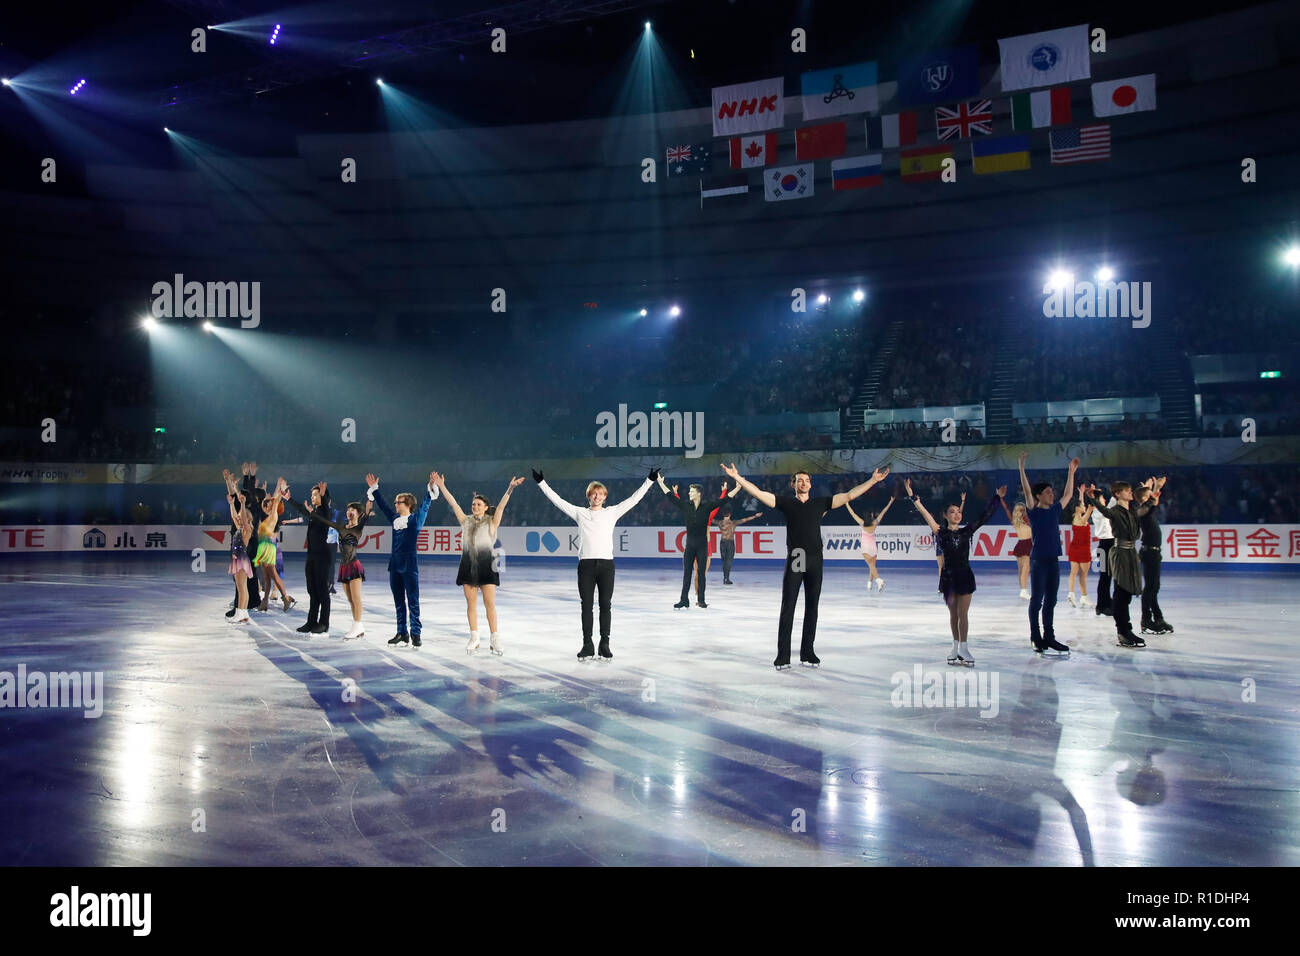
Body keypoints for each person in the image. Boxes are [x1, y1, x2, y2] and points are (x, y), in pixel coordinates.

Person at [721, 463, 890, 670]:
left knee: (812, 606)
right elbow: (758, 492)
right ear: (793, 484)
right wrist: (738, 477)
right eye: (799, 480)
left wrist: (873, 480)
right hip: (797, 557)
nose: (804, 483)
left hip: (815, 557)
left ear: (811, 485)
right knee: (789, 606)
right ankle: (783, 656)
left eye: (807, 480)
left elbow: (848, 496)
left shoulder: (820, 503)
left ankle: (807, 652)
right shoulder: (786, 503)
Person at [535, 467, 657, 661]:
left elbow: (634, 499)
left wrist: (649, 481)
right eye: (594, 494)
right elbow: (558, 501)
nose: (597, 497)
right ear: (589, 496)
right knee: (586, 606)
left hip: (606, 566)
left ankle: (605, 644)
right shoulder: (580, 513)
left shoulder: (612, 512)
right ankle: (587, 644)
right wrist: (542, 483)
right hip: (586, 566)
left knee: (605, 605)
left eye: (600, 494)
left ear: (605, 497)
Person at [905, 479, 1006, 666]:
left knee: (963, 614)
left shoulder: (967, 531)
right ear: (945, 515)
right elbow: (925, 514)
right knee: (953, 615)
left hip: (965, 576)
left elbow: (985, 516)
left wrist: (996, 498)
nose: (957, 514)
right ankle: (955, 646)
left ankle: (964, 648)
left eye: (959, 511)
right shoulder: (940, 532)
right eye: (952, 512)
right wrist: (913, 498)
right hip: (948, 578)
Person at [431, 472, 526, 655]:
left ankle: (494, 638)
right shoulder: (465, 521)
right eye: (473, 504)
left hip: (487, 566)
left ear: (485, 507)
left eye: (478, 504)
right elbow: (453, 503)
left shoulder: (492, 522)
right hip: (467, 565)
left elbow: (501, 508)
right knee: (471, 604)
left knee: (490, 603)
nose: (475, 506)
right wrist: (442, 486)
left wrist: (510, 488)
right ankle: (474, 637)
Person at [367, 472, 439, 648]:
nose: (395, 504)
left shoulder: (415, 520)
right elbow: (383, 506)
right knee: (398, 600)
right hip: (395, 565)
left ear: (406, 504)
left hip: (409, 565)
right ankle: (402, 632)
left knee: (413, 600)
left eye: (398, 502)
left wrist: (430, 488)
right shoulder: (395, 519)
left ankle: (416, 633)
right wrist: (375, 490)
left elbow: (425, 505)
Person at [1082, 480, 1159, 647]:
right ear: (1118, 494)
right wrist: (1092, 499)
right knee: (1121, 591)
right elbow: (1103, 510)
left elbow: (1144, 510)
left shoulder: (1132, 510)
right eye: (1127, 490)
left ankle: (1126, 629)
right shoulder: (1115, 510)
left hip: (1131, 553)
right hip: (1120, 552)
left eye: (1131, 490)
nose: (1130, 493)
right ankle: (1123, 631)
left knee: (1128, 591)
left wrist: (1152, 496)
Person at [1018, 452, 1078, 655]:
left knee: (1051, 601)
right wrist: (1021, 467)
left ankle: (1049, 637)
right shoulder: (1034, 511)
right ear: (1038, 496)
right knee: (1037, 601)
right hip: (1038, 562)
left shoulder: (1054, 511)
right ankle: (1036, 637)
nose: (1052, 494)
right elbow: (1027, 490)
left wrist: (1071, 472)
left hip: (1053, 561)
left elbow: (1068, 495)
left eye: (1052, 492)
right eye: (1048, 492)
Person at [294, 495, 374, 640]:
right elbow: (324, 520)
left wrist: (367, 511)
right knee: (350, 599)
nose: (349, 511)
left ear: (358, 513)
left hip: (354, 566)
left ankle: (357, 625)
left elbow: (365, 519)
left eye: (353, 510)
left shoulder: (358, 527)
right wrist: (311, 513)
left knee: (356, 598)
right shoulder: (341, 527)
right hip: (344, 567)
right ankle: (358, 627)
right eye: (348, 509)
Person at [657, 475, 740, 609]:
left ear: (699, 494)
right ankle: (684, 600)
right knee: (687, 574)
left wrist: (737, 487)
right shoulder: (685, 506)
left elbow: (724, 500)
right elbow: (670, 496)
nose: (689, 493)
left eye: (692, 491)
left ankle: (701, 600)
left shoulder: (707, 507)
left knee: (701, 574)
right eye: (689, 491)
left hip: (702, 546)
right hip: (689, 546)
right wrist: (661, 483)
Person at [285, 481, 335, 635]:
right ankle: (311, 621)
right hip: (312, 556)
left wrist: (323, 497)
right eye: (312, 495)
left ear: (322, 497)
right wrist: (289, 499)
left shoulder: (325, 512)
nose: (312, 497)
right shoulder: (314, 513)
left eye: (315, 495)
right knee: (312, 591)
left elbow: (324, 509)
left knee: (322, 591)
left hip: (322, 557)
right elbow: (303, 510)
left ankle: (324, 623)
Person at [252, 477, 295, 613]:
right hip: (263, 547)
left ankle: (285, 597)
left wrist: (279, 489)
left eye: (270, 505)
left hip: (268, 548)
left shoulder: (273, 516)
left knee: (274, 575)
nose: (269, 507)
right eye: (267, 506)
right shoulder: (264, 518)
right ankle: (265, 602)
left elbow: (276, 501)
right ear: (264, 508)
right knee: (266, 577)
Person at [1137, 477, 1172, 635]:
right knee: (1150, 588)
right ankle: (1146, 619)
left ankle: (1158, 617)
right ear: (1145, 499)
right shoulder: (1143, 511)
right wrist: (1155, 488)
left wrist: (1151, 489)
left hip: (1154, 552)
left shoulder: (1148, 509)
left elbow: (1153, 503)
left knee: (1154, 587)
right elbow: (1150, 504)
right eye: (1149, 495)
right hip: (1149, 552)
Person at [221, 469, 254, 625]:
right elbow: (235, 516)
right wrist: (231, 504)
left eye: (243, 517)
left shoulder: (248, 529)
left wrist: (241, 503)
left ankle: (240, 613)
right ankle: (243, 613)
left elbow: (243, 519)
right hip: (238, 559)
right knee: (242, 587)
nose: (240, 518)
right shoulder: (240, 527)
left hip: (241, 559)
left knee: (241, 587)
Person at [844, 495, 895, 592]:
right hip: (873, 547)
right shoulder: (875, 523)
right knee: (872, 566)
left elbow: (852, 513)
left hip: (865, 548)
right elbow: (884, 511)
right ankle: (869, 583)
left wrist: (847, 504)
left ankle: (879, 580)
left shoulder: (862, 523)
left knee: (871, 566)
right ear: (871, 516)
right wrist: (891, 501)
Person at [713, 505, 763, 585]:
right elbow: (745, 519)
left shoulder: (719, 523)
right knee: (728, 561)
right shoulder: (733, 523)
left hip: (722, 543)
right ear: (730, 514)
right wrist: (755, 516)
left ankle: (725, 577)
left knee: (724, 562)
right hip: (730, 543)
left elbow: (710, 519)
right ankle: (726, 578)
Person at [999, 498, 1033, 600]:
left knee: (1021, 570)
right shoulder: (1027, 520)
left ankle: (1022, 589)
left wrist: (1001, 499)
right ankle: (1024, 591)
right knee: (1025, 570)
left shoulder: (1015, 521)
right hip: (1027, 544)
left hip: (1020, 544)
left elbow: (1007, 510)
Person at [1066, 493, 1094, 609]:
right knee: (1083, 575)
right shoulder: (1082, 519)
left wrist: (1081, 493)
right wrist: (1092, 496)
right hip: (1083, 549)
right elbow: (1090, 509)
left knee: (1073, 573)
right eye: (1082, 505)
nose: (1084, 506)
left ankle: (1071, 594)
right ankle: (1084, 596)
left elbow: (1081, 506)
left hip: (1074, 548)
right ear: (1078, 508)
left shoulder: (1075, 517)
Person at [1090, 487, 1115, 616]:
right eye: (1102, 498)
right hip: (1105, 545)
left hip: (1109, 544)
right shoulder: (1098, 513)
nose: (1104, 500)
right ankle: (1101, 605)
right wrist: (1116, 493)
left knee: (1108, 577)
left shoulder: (1100, 512)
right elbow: (1111, 504)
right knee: (1105, 577)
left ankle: (1106, 602)